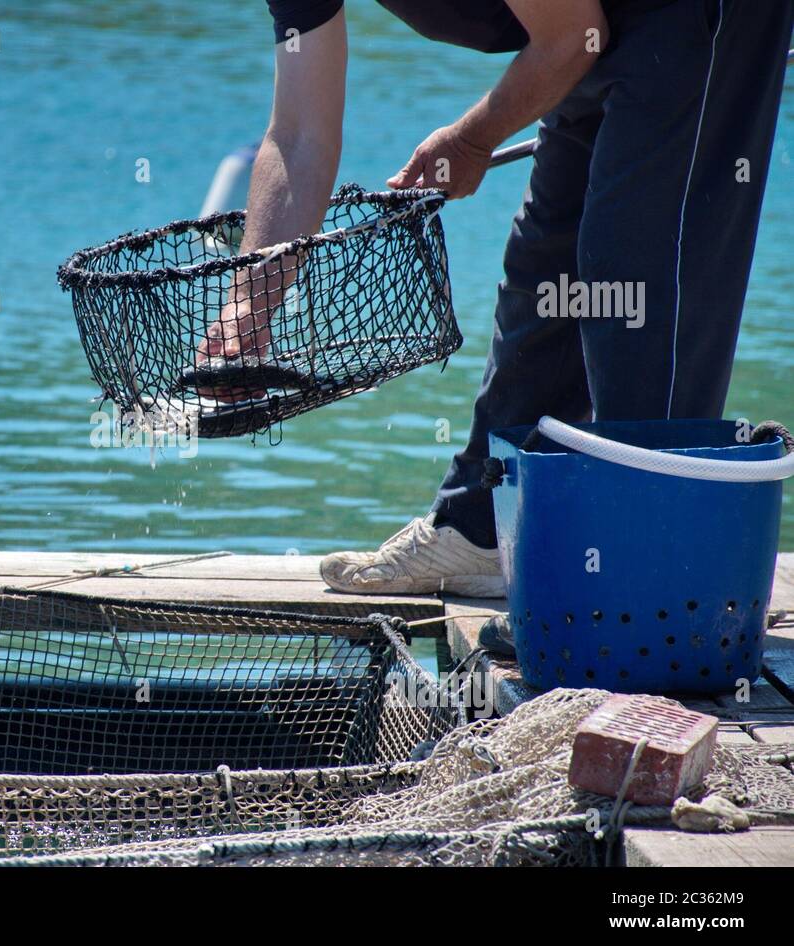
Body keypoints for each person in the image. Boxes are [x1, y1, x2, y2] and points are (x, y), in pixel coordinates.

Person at [201, 0, 793, 597]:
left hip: (689, 16)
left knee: (631, 275)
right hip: (590, 21)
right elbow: (300, 135)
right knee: (546, 273)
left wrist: (473, 138)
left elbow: (572, 40)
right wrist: (250, 306)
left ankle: (649, 576)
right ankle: (484, 531)